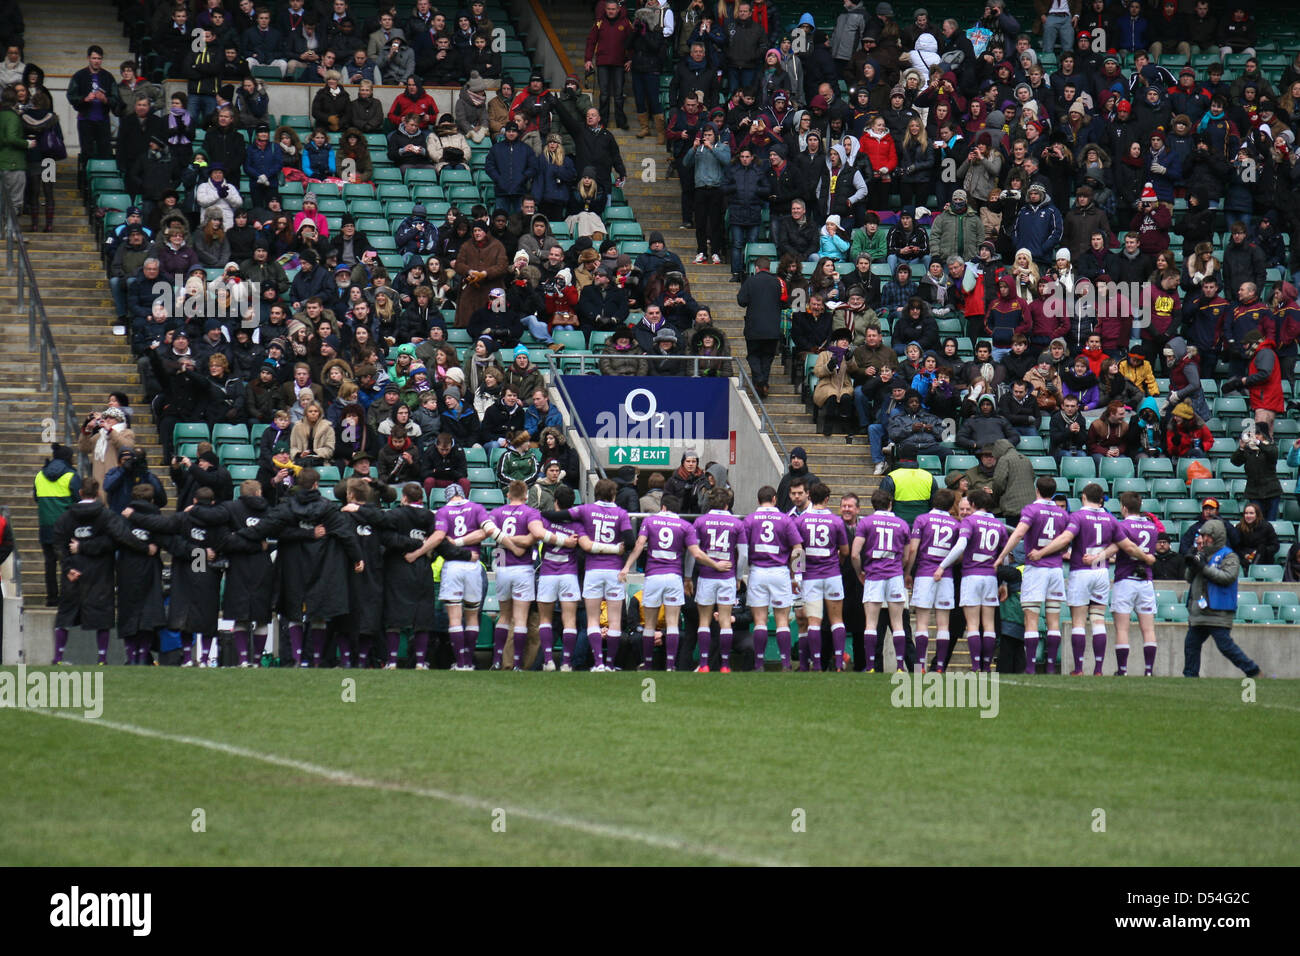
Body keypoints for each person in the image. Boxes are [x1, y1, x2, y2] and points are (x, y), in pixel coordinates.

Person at [620, 492, 730, 671]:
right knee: (672, 622)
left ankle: (647, 664)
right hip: (673, 577)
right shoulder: (685, 525)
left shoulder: (650, 521)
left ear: (662, 507)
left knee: (649, 623)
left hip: (654, 576)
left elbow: (639, 544)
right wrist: (715, 565)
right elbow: (696, 554)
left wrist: (627, 566)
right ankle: (670, 666)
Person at [52, 478, 151, 664]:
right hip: (100, 573)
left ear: (80, 493)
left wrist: (68, 566)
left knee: (65, 615)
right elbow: (118, 539)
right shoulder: (107, 516)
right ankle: (102, 658)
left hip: (74, 573)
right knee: (103, 617)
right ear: (98, 494)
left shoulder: (65, 518)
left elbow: (58, 545)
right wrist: (145, 548)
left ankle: (58, 657)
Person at [1031, 483, 1119, 676]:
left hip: (1081, 572)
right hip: (1101, 572)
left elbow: (1064, 540)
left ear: (1084, 497)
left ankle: (1079, 669)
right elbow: (1119, 544)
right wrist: (1100, 556)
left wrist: (1042, 552)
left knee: (1078, 621)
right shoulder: (1110, 519)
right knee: (1098, 620)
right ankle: (1098, 669)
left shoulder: (1078, 516)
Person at [547, 477, 634, 671]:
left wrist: (541, 514)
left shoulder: (586, 509)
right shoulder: (621, 513)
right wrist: (617, 548)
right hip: (614, 571)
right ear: (613, 494)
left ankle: (598, 663)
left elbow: (558, 516)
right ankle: (611, 664)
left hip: (593, 570)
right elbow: (629, 541)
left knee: (593, 620)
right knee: (614, 620)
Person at [996, 477, 1069, 675]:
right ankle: (1052, 668)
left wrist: (1001, 556)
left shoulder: (1031, 510)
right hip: (1056, 569)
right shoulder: (1062, 513)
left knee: (1031, 620)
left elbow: (1018, 534)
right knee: (1053, 621)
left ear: (1036, 490)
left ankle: (1030, 668)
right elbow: (1066, 542)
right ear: (1053, 492)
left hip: (1036, 568)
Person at [427, 483, 498, 670]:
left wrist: (455, 542)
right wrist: (465, 541)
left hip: (452, 566)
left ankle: (459, 663)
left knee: (455, 618)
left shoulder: (442, 511)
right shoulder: (476, 508)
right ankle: (468, 662)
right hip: (473, 564)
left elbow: (441, 536)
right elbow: (488, 530)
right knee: (473, 616)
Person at [1182, 519, 1260, 679]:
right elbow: (1188, 578)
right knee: (1191, 644)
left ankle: (1252, 670)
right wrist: (1193, 563)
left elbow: (1227, 577)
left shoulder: (1229, 556)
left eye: (1208, 536)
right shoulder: (1201, 554)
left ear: (1217, 536)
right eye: (1202, 536)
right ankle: (1190, 677)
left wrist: (1204, 568)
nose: (1204, 539)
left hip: (1219, 611)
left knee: (1225, 646)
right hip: (1200, 610)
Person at [939, 488, 1007, 673]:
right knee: (989, 624)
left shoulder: (970, 521)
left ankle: (976, 665)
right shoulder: (998, 525)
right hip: (991, 577)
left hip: (971, 575)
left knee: (972, 625)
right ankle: (986, 666)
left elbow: (961, 546)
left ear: (974, 505)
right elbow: (1005, 556)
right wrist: (1004, 583)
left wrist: (943, 566)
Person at [742, 485, 803, 671]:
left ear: (758, 500)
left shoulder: (750, 519)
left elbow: (742, 549)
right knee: (782, 620)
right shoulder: (785, 520)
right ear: (775, 499)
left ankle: (759, 664)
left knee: (760, 620)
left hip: (758, 571)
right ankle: (785, 664)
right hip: (780, 572)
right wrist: (796, 576)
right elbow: (798, 549)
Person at [851, 488, 911, 674]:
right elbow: (907, 557)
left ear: (872, 504)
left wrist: (860, 571)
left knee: (871, 623)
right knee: (898, 623)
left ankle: (870, 667)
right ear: (890, 504)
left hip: (874, 576)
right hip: (894, 576)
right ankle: (900, 667)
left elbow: (854, 554)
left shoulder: (866, 523)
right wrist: (900, 570)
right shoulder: (902, 524)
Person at [792, 483, 850, 672]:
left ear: (809, 496)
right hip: (832, 574)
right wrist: (837, 562)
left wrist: (796, 575)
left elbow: (797, 552)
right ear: (827, 499)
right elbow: (845, 550)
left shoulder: (801, 521)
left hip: (810, 577)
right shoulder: (836, 521)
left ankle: (816, 664)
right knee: (837, 620)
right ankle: (840, 662)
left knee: (814, 621)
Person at [903, 487, 960, 674]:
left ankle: (920, 666)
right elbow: (958, 554)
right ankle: (940, 667)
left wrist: (908, 572)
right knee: (943, 623)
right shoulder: (955, 524)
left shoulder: (922, 520)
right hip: (946, 575)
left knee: (922, 622)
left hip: (925, 573)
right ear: (951, 504)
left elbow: (912, 549)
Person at [691, 486, 748, 673]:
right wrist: (739, 577)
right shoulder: (737, 523)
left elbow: (693, 553)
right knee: (725, 621)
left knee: (704, 621)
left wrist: (687, 576)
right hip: (727, 577)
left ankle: (705, 664)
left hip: (706, 576)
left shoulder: (700, 522)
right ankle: (725, 665)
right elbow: (744, 555)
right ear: (726, 504)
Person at [1105, 492, 1161, 676]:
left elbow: (1120, 547)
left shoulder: (1123, 526)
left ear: (1124, 508)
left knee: (1122, 628)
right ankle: (1149, 671)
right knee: (1148, 628)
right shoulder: (1152, 526)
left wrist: (1099, 557)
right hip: (1146, 580)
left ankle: (1122, 670)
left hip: (1126, 578)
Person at [530, 484, 584, 670]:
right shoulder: (577, 524)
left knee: (545, 619)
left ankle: (548, 661)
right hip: (569, 575)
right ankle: (567, 663)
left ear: (555, 502)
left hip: (548, 574)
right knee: (569, 620)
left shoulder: (545, 520)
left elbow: (534, 536)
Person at [33, 443, 82, 607]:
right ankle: (68, 597)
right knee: (66, 562)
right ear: (68, 458)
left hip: (45, 525)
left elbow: (36, 498)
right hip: (65, 526)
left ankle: (52, 598)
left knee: (50, 563)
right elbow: (78, 499)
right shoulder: (71, 475)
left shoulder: (40, 474)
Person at [737, 255, 785, 398]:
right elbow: (784, 302)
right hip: (773, 328)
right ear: (769, 268)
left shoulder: (750, 281)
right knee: (767, 357)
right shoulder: (778, 282)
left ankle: (760, 380)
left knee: (753, 355)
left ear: (756, 268)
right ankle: (762, 384)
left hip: (754, 327)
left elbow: (741, 301)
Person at [1232, 423, 1283, 521]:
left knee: (1270, 521)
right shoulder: (1248, 450)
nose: (1255, 437)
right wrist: (1241, 448)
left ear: (1264, 435)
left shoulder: (1271, 447)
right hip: (1254, 491)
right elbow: (1235, 461)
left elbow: (1273, 453)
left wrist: (1259, 443)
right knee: (1257, 521)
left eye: (1257, 434)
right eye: (1253, 434)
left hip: (1271, 491)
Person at [1235, 503, 1279, 574]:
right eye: (1246, 513)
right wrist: (1245, 554)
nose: (1248, 516)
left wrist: (1261, 551)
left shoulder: (1267, 527)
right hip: (1244, 559)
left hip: (1263, 559)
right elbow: (1236, 546)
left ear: (1257, 514)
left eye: (1251, 513)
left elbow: (1275, 545)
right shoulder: (1239, 527)